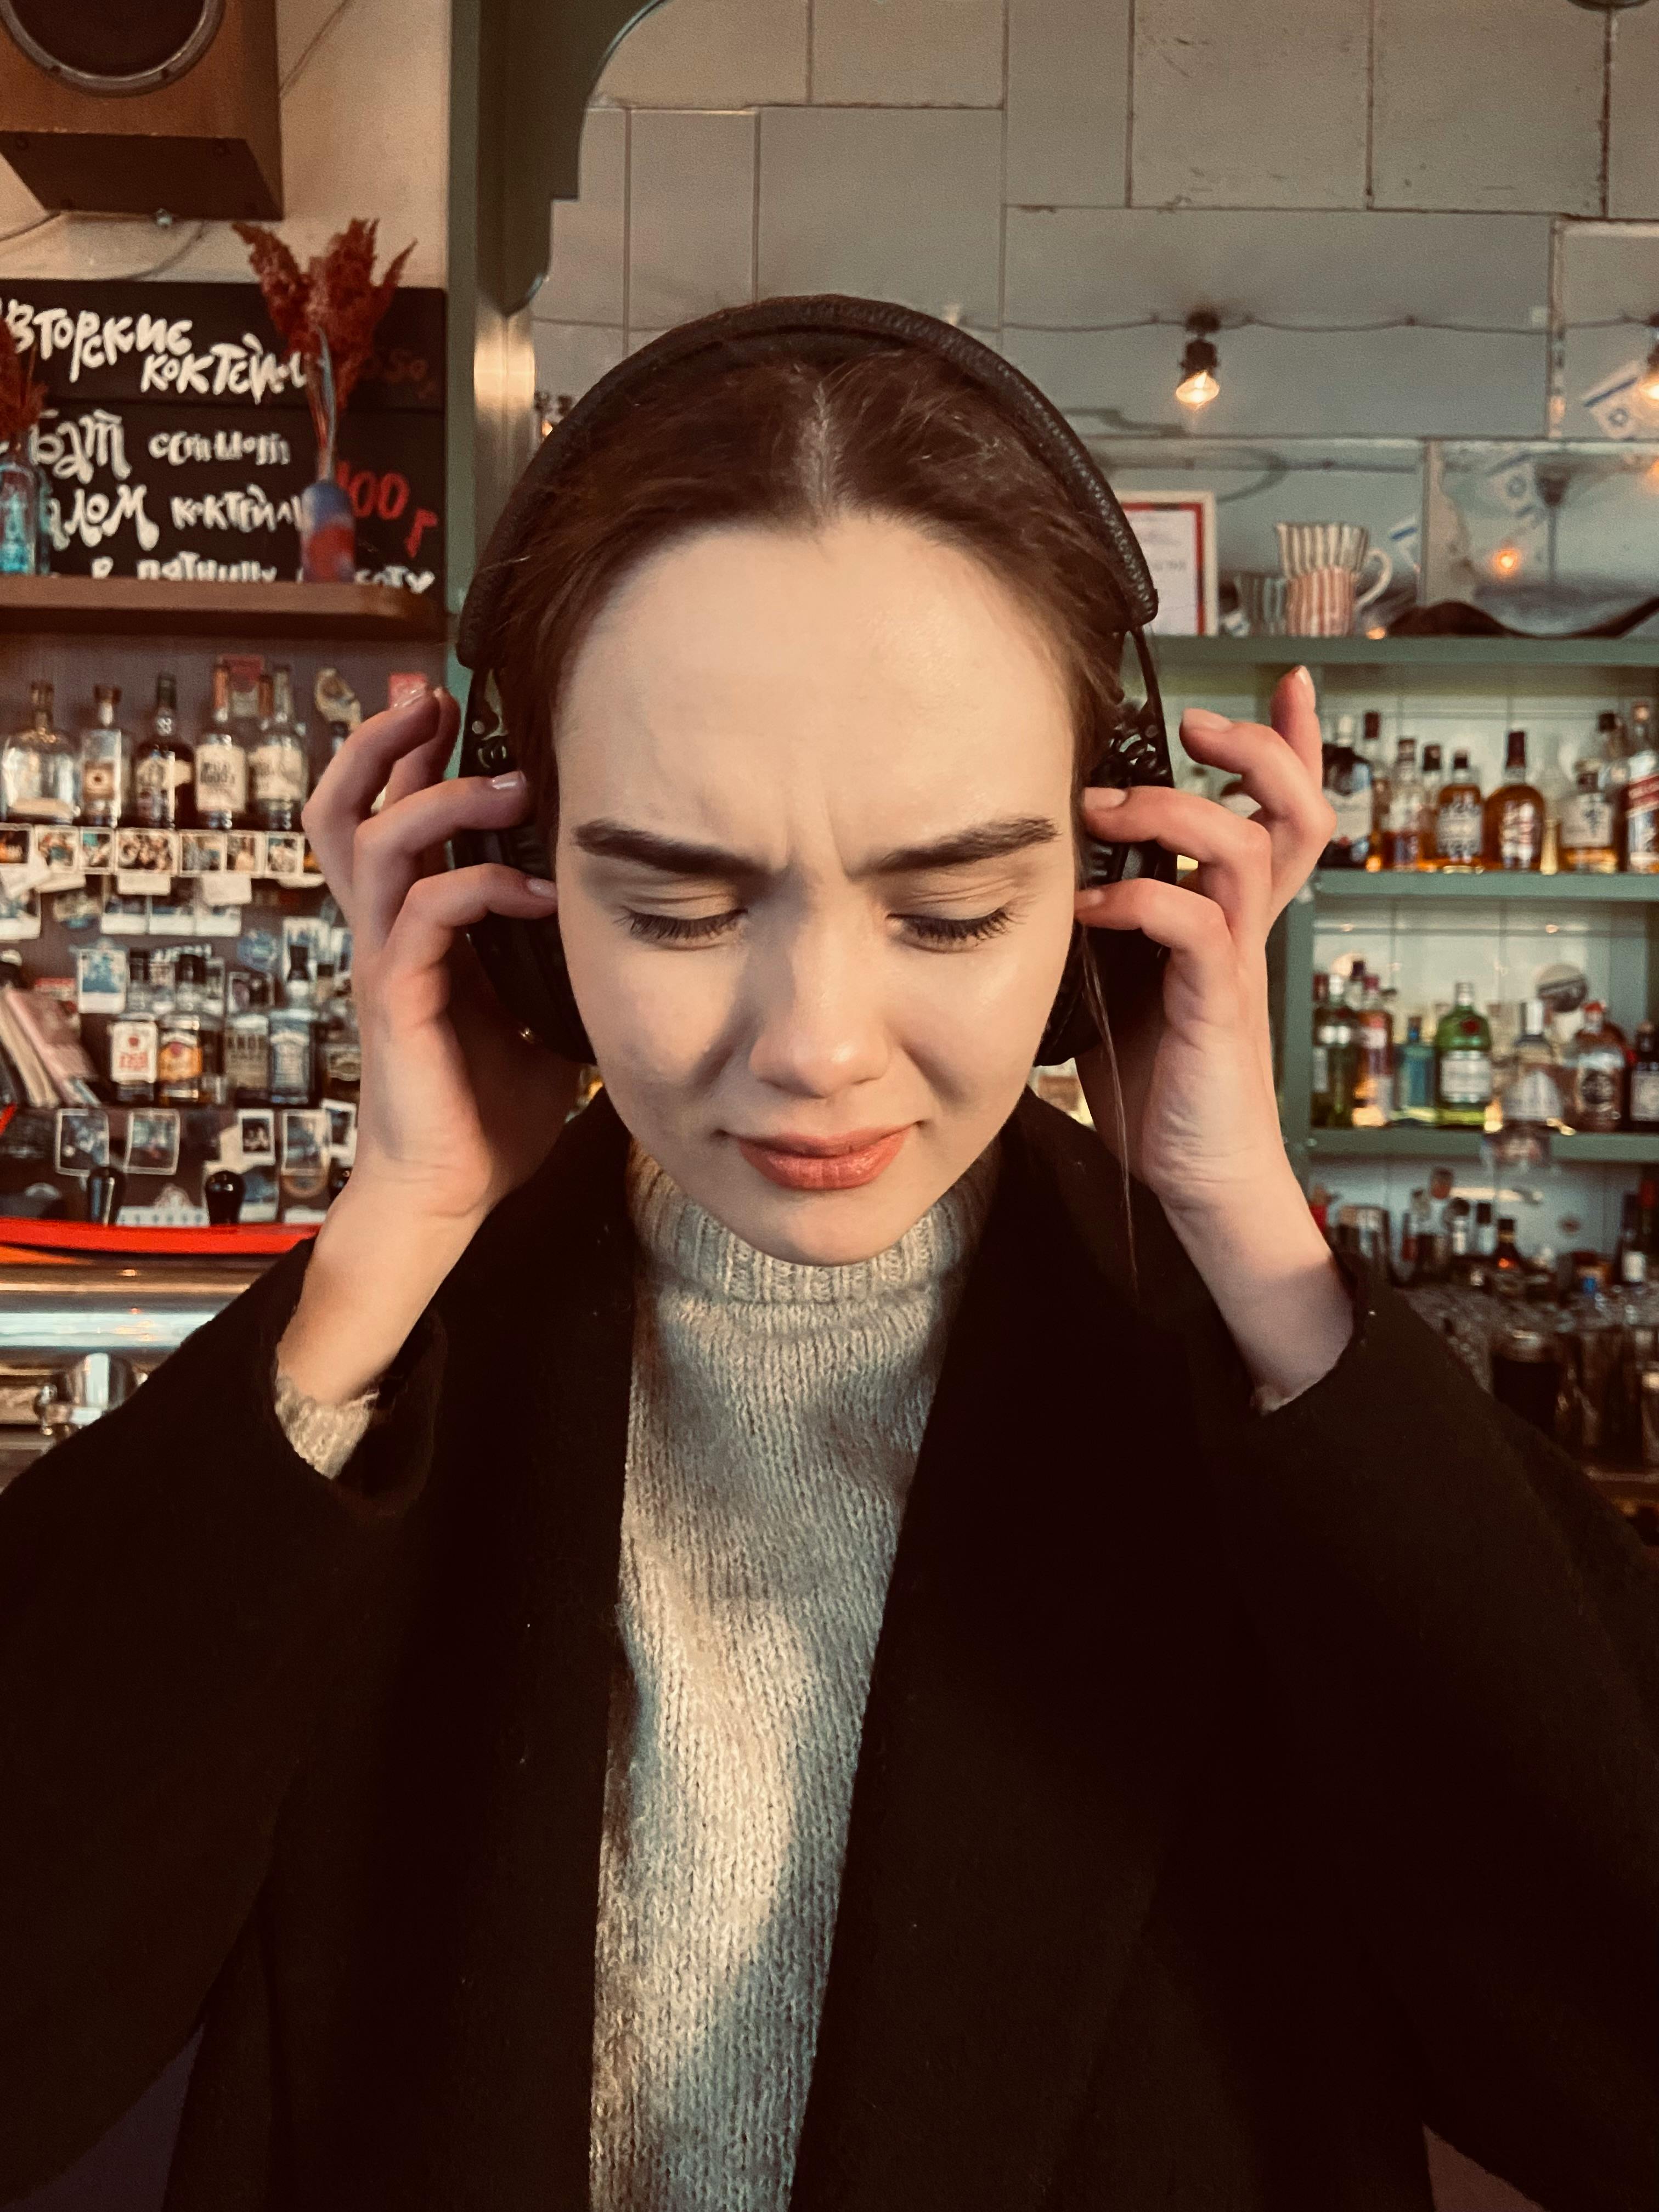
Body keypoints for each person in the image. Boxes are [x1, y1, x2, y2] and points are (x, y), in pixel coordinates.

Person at [2, 331, 1656, 2212]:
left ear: (1119, 895)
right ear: (514, 880)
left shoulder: (1250, 1421)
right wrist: (379, 1252)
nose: (817, 1044)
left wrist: (1260, 1251)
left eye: (951, 910)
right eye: (676, 904)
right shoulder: (379, 1408)